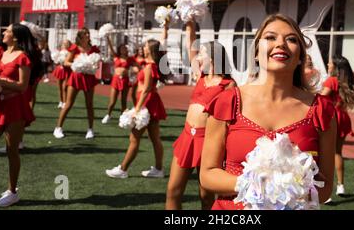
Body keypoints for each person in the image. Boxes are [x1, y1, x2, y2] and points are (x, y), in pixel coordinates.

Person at [200, 14, 337, 210]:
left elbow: (325, 190)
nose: (280, 43)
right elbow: (207, 174)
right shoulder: (228, 101)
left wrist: (292, 190)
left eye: (291, 39)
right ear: (256, 52)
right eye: (270, 37)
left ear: (300, 57)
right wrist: (255, 185)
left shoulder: (322, 110)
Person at [165, 20, 235, 210]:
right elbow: (191, 47)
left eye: (202, 54)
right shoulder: (201, 77)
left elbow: (231, 118)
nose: (198, 58)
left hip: (209, 141)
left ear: (213, 58)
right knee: (173, 191)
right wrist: (190, 25)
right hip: (187, 137)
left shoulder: (229, 84)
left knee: (206, 196)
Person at [0, 23, 43, 207]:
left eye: (8, 31)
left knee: (12, 151)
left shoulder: (23, 57)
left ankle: (12, 192)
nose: (4, 32)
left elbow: (22, 86)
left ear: (16, 37)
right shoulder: (2, 53)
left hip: (15, 107)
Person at [105, 38, 167, 179]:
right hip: (150, 103)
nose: (143, 47)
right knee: (155, 138)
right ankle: (158, 169)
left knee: (134, 138)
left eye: (145, 46)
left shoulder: (150, 67)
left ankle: (123, 169)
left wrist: (137, 110)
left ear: (149, 49)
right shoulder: (150, 65)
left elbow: (146, 90)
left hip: (147, 104)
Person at [321, 55, 354, 197]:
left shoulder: (331, 81)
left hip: (331, 118)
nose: (328, 65)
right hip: (344, 118)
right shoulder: (345, 81)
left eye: (330, 63)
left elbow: (321, 98)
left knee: (324, 154)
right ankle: (340, 186)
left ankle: (325, 189)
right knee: (338, 152)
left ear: (335, 67)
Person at [53, 28, 100, 140]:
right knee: (68, 104)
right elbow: (66, 62)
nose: (88, 35)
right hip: (76, 77)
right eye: (85, 33)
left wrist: (92, 66)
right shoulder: (74, 47)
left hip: (89, 78)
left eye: (88, 33)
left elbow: (97, 63)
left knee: (89, 104)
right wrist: (78, 64)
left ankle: (90, 129)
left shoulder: (93, 49)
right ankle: (58, 128)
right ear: (80, 36)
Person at [101, 36, 137, 124]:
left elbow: (137, 66)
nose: (123, 50)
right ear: (119, 50)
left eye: (125, 48)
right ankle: (108, 115)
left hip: (125, 80)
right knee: (112, 101)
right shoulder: (115, 56)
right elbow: (111, 48)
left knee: (123, 101)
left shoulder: (130, 59)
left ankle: (122, 118)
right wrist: (108, 39)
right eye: (122, 48)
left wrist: (132, 70)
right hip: (116, 80)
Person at [52, 39, 72, 109]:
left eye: (67, 43)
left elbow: (70, 61)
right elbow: (56, 61)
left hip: (67, 70)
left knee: (65, 87)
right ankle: (60, 101)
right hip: (60, 69)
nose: (65, 44)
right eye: (64, 43)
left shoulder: (70, 52)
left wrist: (65, 61)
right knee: (60, 87)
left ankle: (65, 102)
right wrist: (57, 60)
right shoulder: (59, 52)